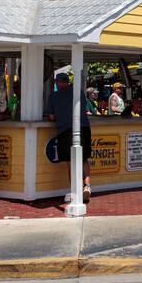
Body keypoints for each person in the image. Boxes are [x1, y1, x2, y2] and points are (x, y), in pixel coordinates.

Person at [46, 71, 91, 203]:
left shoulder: (53, 96)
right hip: (83, 127)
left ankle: (75, 189)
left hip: (65, 130)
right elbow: (84, 109)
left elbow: (51, 117)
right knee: (84, 158)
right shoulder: (79, 92)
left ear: (57, 83)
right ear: (68, 82)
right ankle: (87, 185)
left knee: (70, 161)